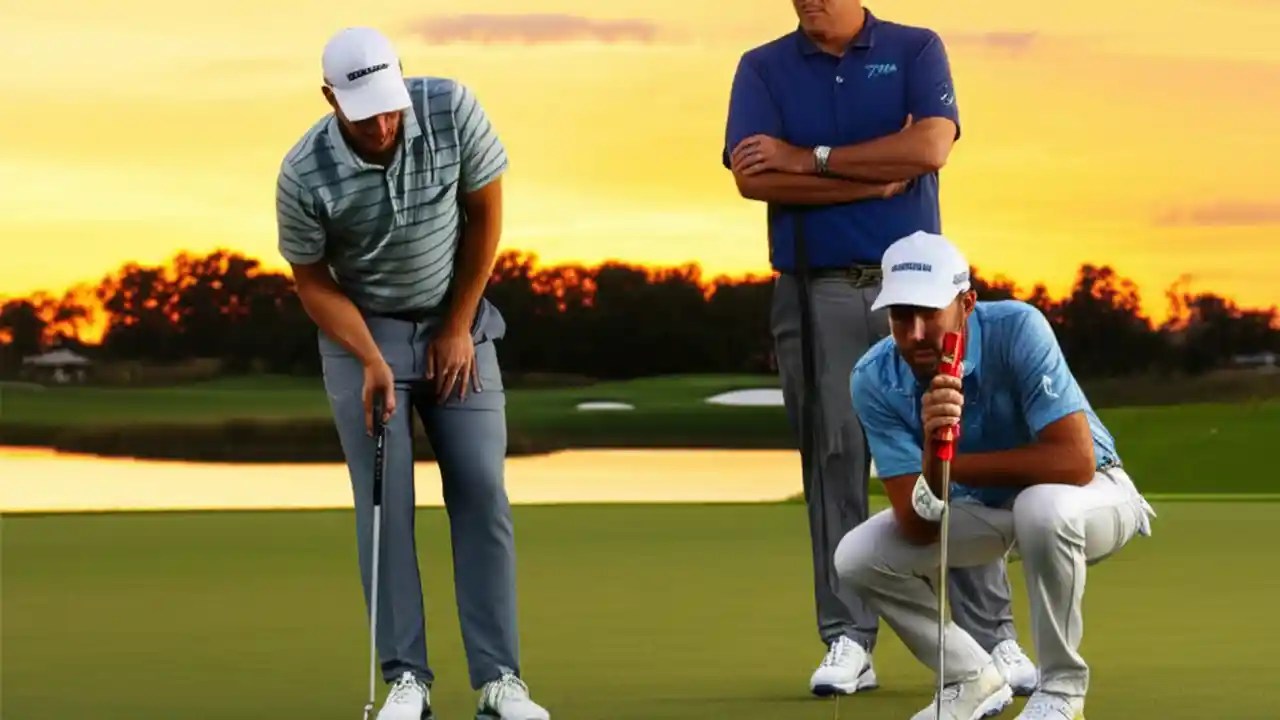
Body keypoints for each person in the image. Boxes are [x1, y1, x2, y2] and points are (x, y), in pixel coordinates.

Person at [721, 0, 1037, 696]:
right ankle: (847, 640)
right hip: (817, 289)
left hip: (921, 295)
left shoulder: (916, 49)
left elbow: (927, 150)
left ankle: (993, 638)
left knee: (953, 448)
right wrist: (877, 175)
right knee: (835, 457)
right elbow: (752, 178)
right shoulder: (763, 67)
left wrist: (810, 162)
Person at [275, 26, 550, 720]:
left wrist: (458, 324)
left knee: (483, 492)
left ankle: (499, 680)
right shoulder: (304, 171)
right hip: (360, 335)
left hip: (458, 322)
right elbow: (311, 282)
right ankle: (408, 681)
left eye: (390, 104)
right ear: (330, 98)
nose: (383, 123)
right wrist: (368, 357)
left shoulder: (452, 108)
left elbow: (486, 216)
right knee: (385, 505)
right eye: (364, 111)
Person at [835, 230, 1158, 719]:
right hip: (987, 512)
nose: (916, 333)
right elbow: (917, 524)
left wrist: (947, 462)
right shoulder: (873, 377)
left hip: (1095, 496)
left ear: (966, 303)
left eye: (930, 314)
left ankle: (1062, 691)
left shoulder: (1018, 328)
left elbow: (1074, 461)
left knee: (1041, 507)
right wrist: (933, 454)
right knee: (856, 556)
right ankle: (972, 676)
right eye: (902, 317)